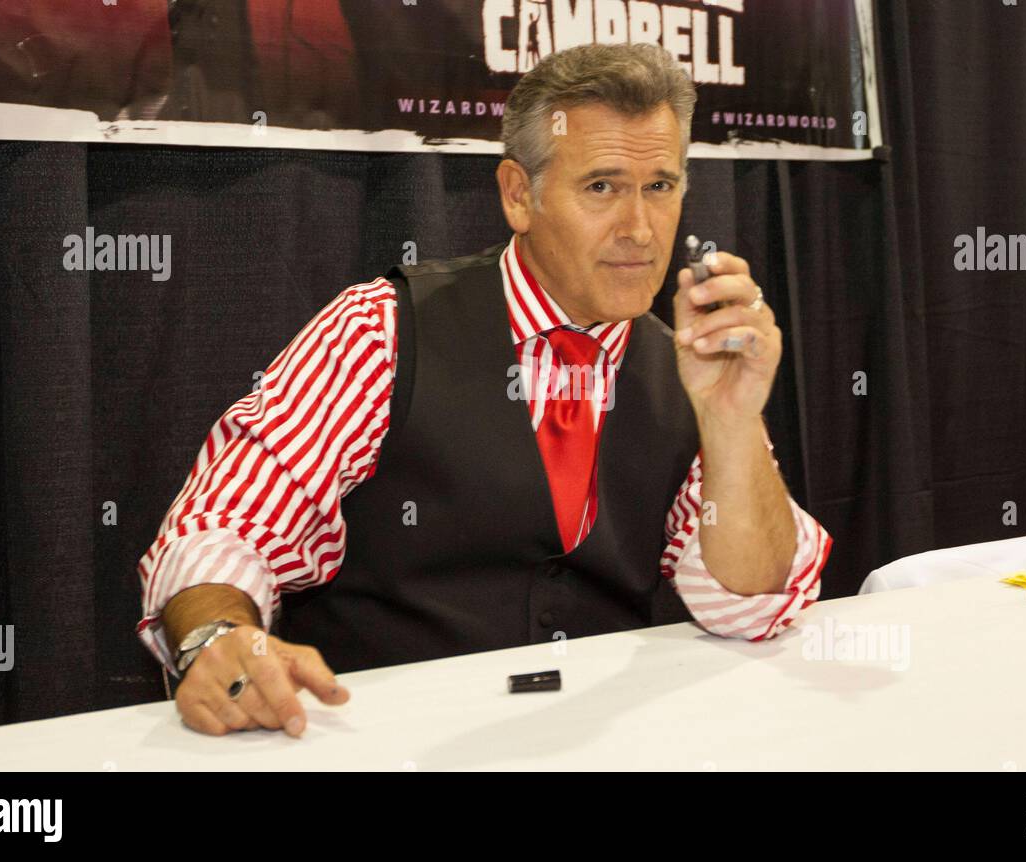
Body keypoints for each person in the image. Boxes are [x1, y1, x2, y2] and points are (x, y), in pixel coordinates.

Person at [137, 43, 831, 737]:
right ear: (518, 195)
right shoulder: (380, 331)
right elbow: (224, 528)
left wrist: (733, 421)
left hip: (604, 743)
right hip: (379, 741)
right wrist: (217, 638)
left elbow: (748, 603)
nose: (640, 230)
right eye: (602, 187)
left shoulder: (690, 362)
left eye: (661, 187)